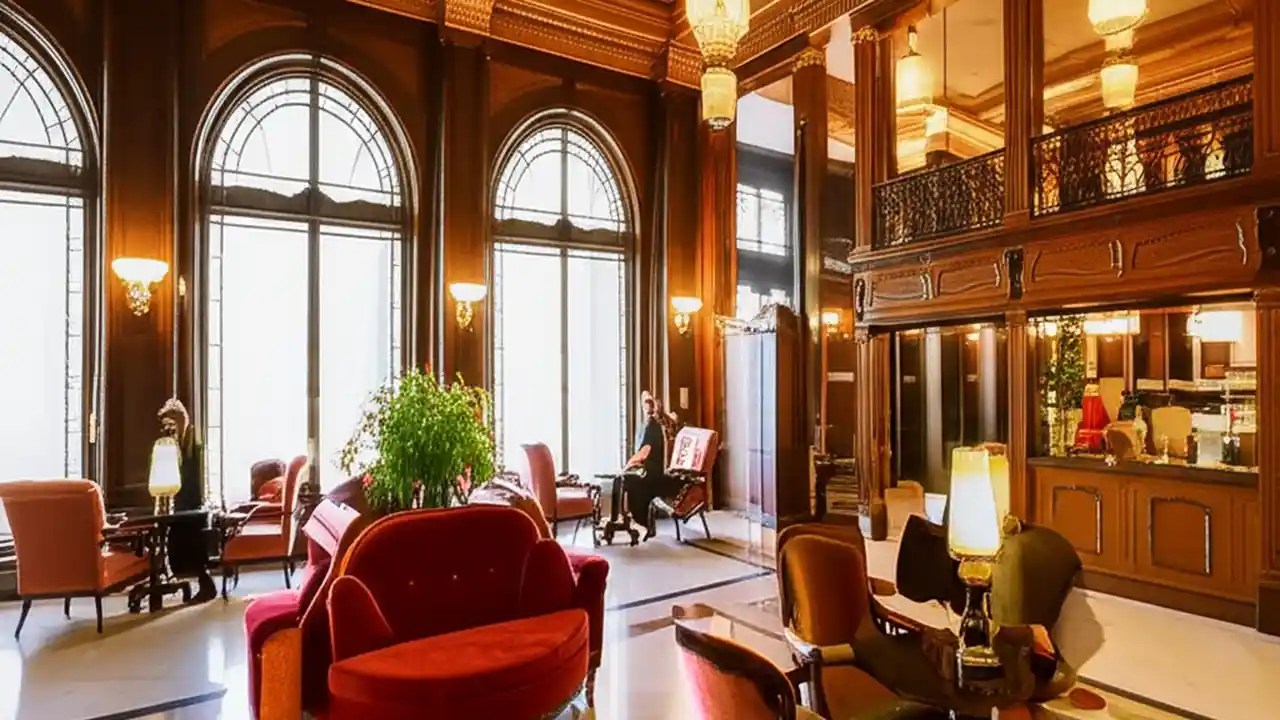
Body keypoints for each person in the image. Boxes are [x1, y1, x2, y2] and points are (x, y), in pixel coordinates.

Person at [158, 399, 217, 603]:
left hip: (194, 505)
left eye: (171, 424)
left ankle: (204, 582)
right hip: (180, 503)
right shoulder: (174, 444)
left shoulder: (195, 445)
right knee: (169, 531)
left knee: (187, 531)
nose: (169, 429)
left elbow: (195, 481)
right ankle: (169, 578)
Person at [615, 391, 677, 541]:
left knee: (624, 480)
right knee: (623, 479)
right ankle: (628, 520)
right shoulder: (654, 425)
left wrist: (627, 466)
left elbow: (645, 451)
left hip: (652, 474)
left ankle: (638, 522)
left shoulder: (652, 426)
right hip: (652, 471)